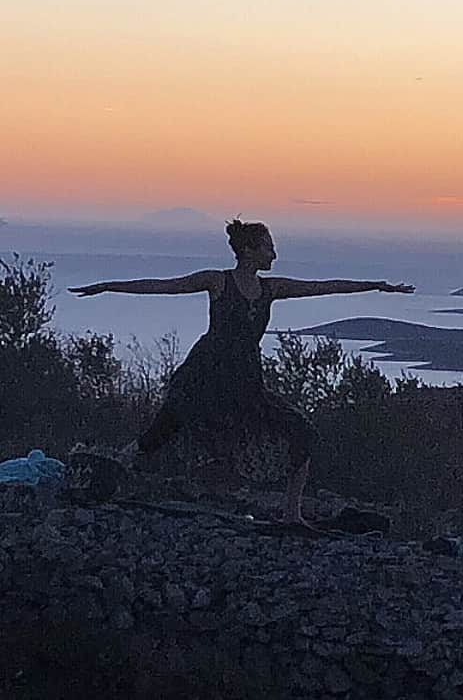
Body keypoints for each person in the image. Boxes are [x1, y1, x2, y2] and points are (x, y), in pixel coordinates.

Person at [69, 219, 414, 525]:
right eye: (268, 247)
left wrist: (376, 286)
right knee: (162, 429)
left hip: (245, 378)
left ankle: (292, 514)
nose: (274, 254)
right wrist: (108, 286)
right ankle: (107, 474)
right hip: (205, 373)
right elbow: (164, 286)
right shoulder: (217, 282)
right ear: (248, 251)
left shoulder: (271, 288)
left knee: (300, 430)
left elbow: (323, 286)